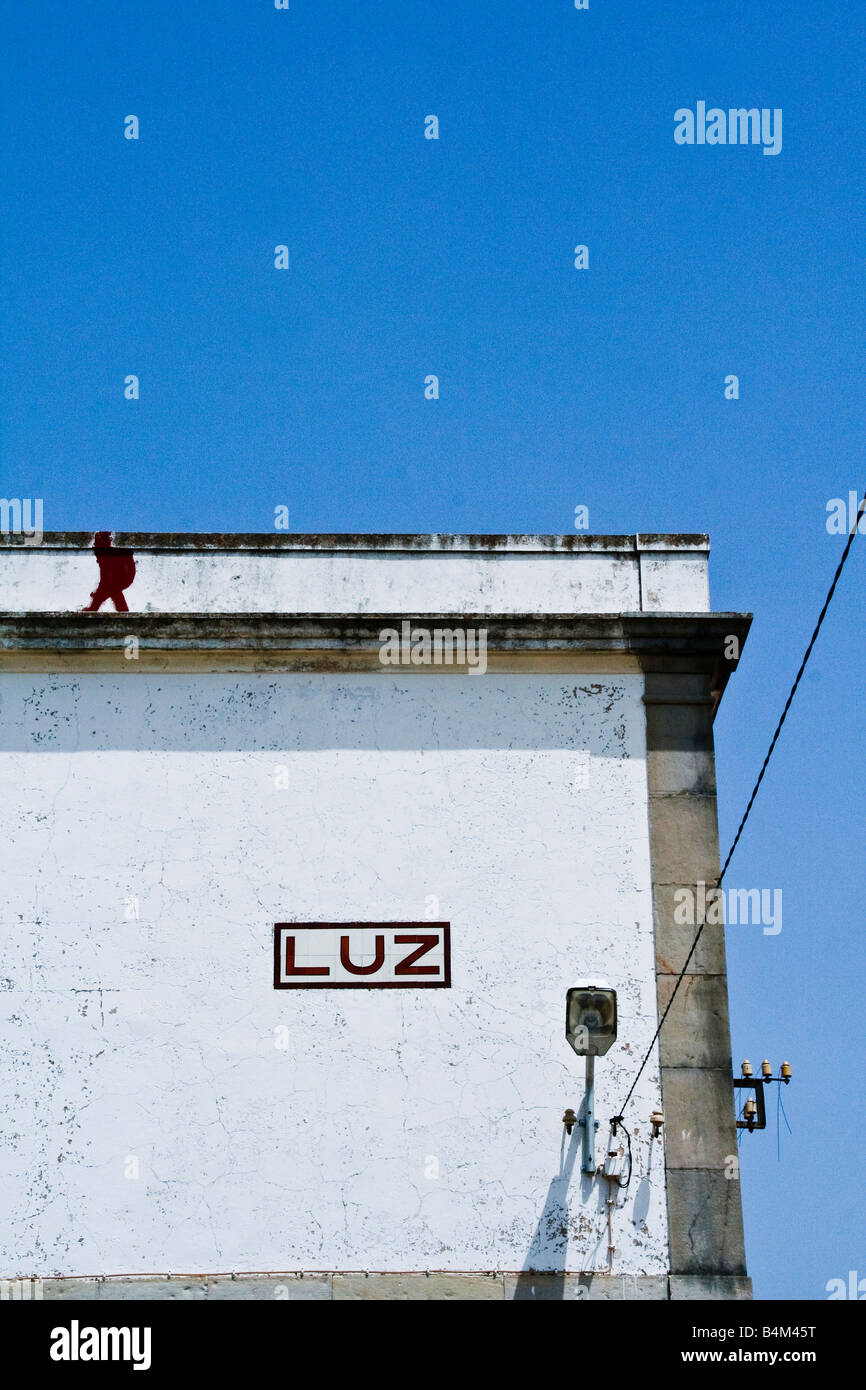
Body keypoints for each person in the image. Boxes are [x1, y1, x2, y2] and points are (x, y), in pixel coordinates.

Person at [83, 531, 136, 612]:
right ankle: (123, 612)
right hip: (118, 577)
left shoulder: (110, 555)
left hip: (123, 576)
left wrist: (97, 596)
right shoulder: (105, 555)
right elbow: (105, 580)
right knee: (110, 589)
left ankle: (123, 612)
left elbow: (107, 582)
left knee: (112, 589)